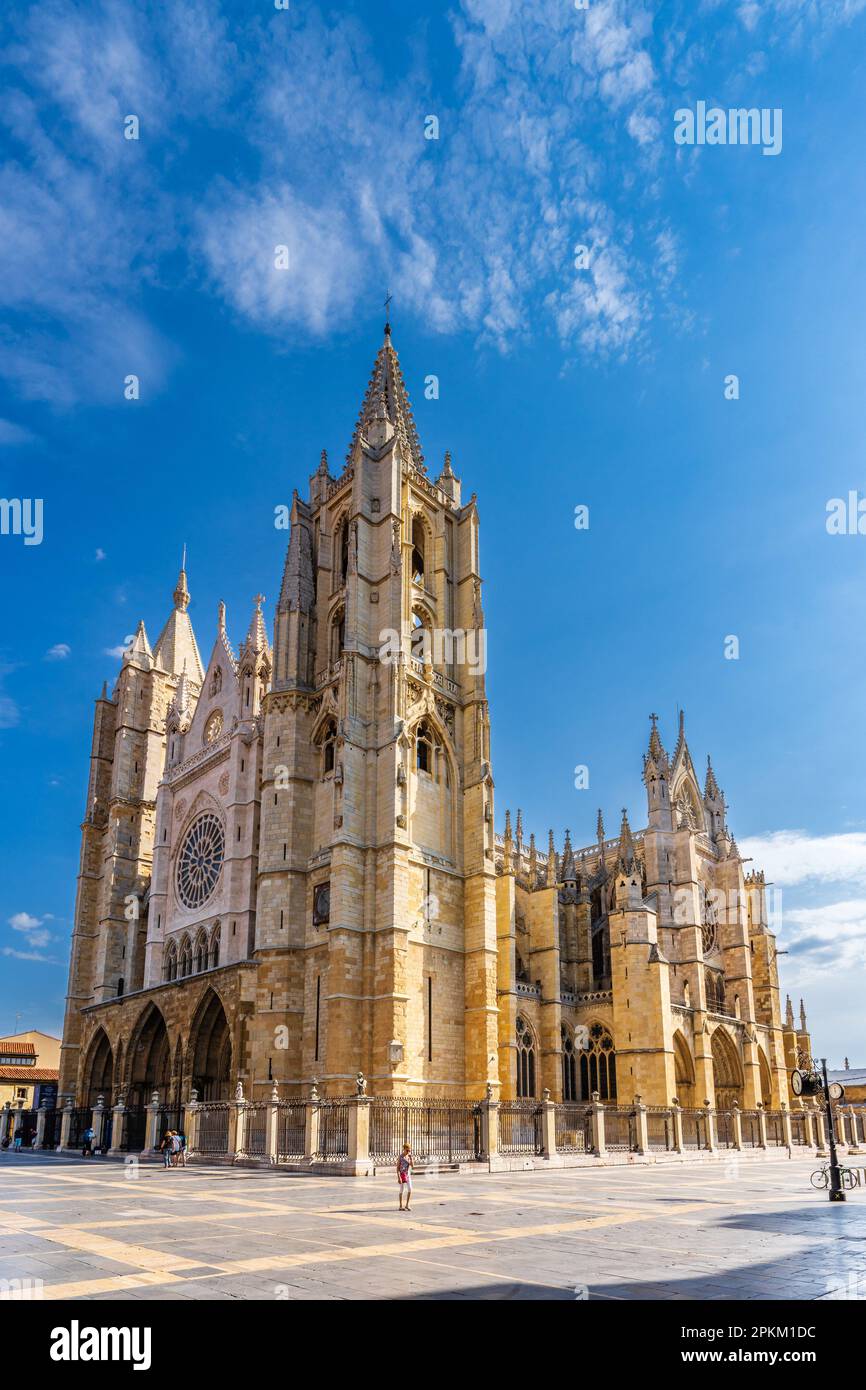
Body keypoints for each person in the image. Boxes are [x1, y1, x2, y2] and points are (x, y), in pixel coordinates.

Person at [396, 1143, 413, 1211]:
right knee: (401, 1190)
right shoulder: (400, 1157)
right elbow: (397, 1168)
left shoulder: (409, 1156)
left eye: (409, 1150)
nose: (408, 1152)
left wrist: (411, 1159)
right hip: (402, 1174)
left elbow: (413, 1166)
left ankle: (407, 1205)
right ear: (404, 1149)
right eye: (407, 1150)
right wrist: (398, 1177)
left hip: (407, 1174)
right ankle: (400, 1206)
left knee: (410, 1189)